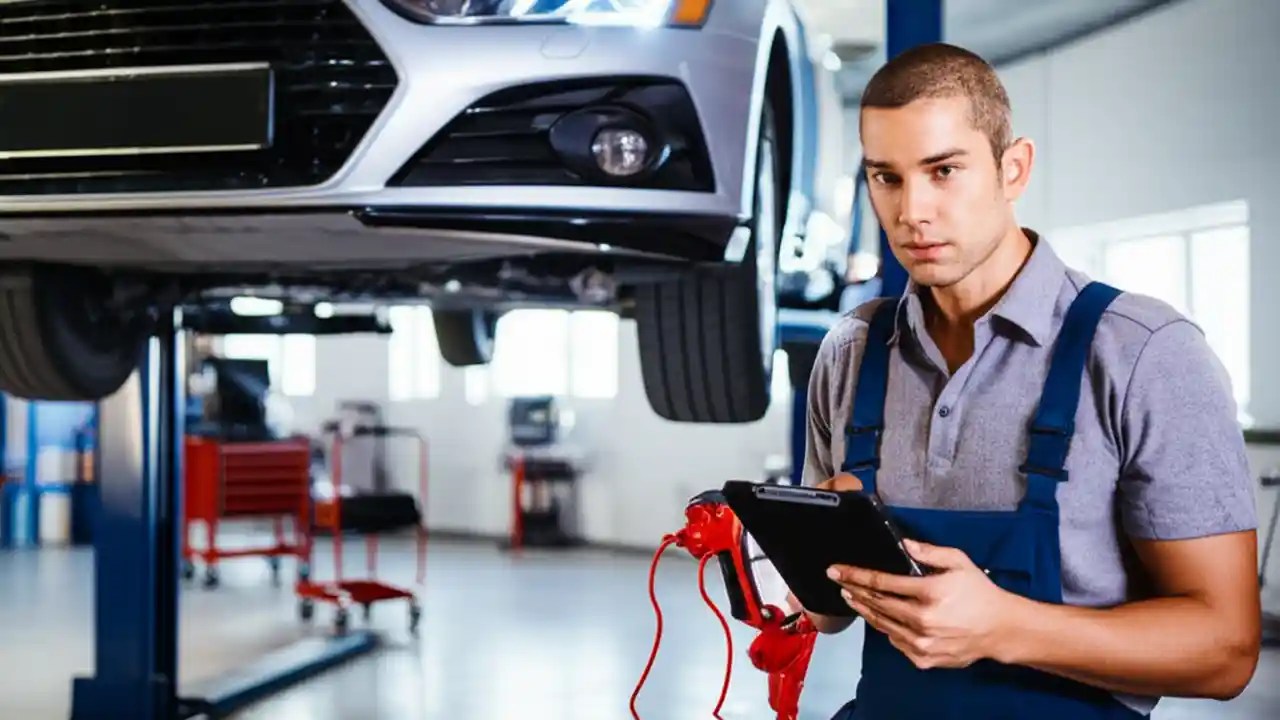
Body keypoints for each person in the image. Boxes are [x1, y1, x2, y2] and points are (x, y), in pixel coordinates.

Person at [796, 43, 1262, 719]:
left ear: (1012, 169)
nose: (911, 212)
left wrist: (1001, 626)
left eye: (943, 170)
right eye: (886, 178)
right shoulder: (851, 352)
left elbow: (1225, 650)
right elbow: (823, 615)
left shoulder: (1143, 354)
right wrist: (794, 559)